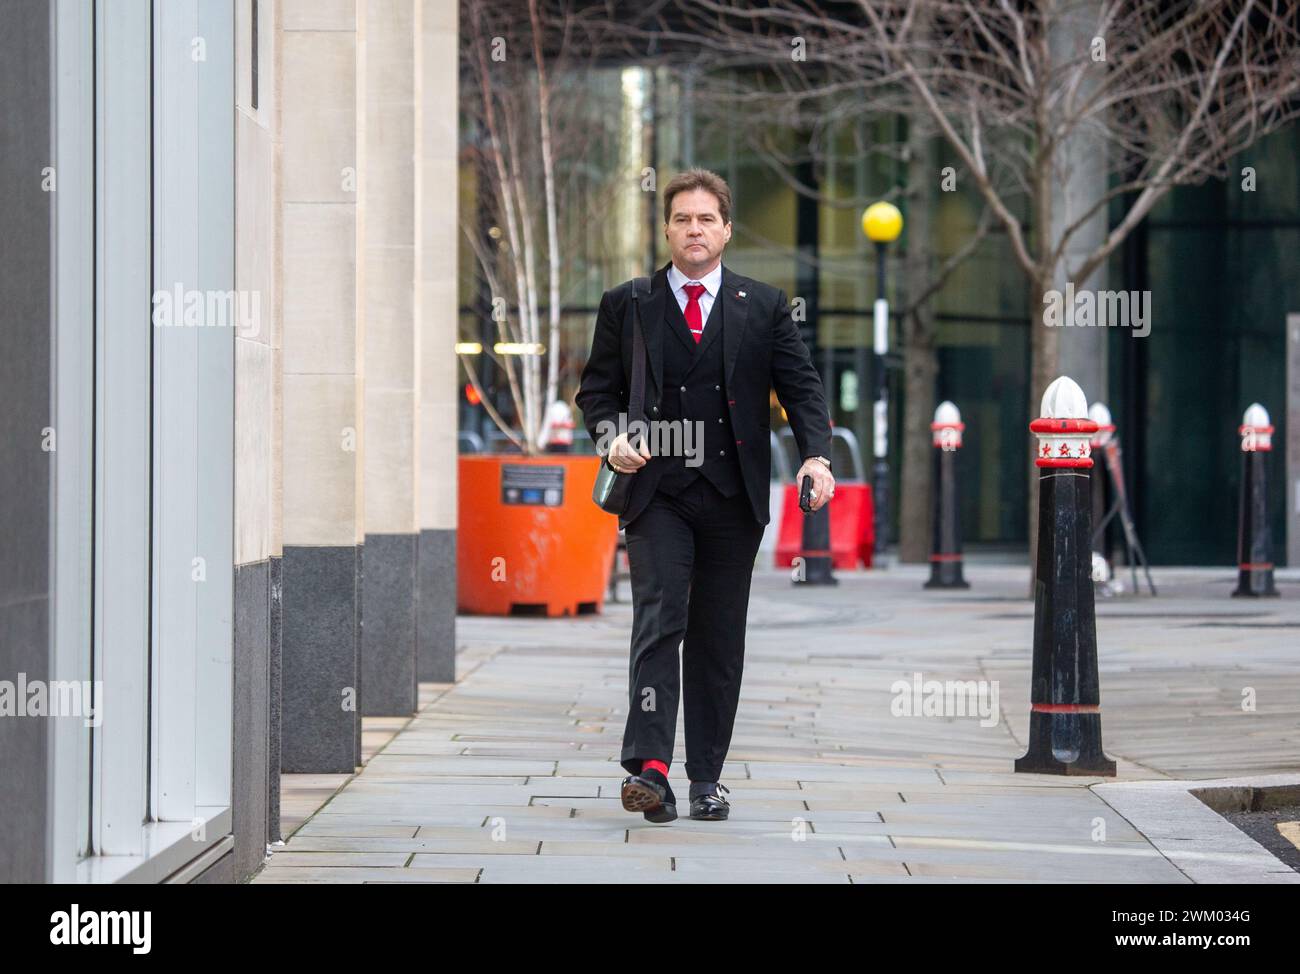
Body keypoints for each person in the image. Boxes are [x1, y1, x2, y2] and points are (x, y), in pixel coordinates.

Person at [576, 168, 834, 824]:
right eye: (682, 219)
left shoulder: (765, 306)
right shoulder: (629, 303)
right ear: (666, 229)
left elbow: (801, 387)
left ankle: (706, 779)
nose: (694, 229)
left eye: (706, 219)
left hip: (731, 497)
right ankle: (651, 769)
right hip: (657, 491)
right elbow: (596, 393)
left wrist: (817, 456)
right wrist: (611, 439)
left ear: (726, 229)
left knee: (719, 637)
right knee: (660, 616)